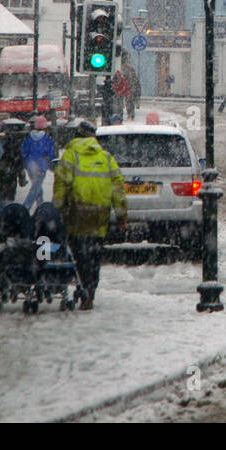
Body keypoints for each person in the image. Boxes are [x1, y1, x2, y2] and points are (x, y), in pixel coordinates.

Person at [53, 119, 126, 310]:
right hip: (99, 214)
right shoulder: (106, 158)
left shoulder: (69, 156)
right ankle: (90, 292)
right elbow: (118, 187)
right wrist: (121, 216)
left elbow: (61, 185)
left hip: (76, 213)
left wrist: (56, 210)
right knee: (94, 256)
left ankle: (82, 286)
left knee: (78, 254)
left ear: (76, 136)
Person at [0, 120, 26, 203]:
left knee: (8, 202)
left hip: (10, 179)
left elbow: (19, 160)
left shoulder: (12, 143)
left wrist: (21, 175)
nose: (0, 136)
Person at [21, 115, 57, 211]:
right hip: (41, 166)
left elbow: (24, 151)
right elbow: (51, 153)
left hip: (30, 166)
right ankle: (26, 207)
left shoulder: (28, 138)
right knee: (36, 188)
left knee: (37, 187)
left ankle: (40, 205)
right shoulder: (46, 139)